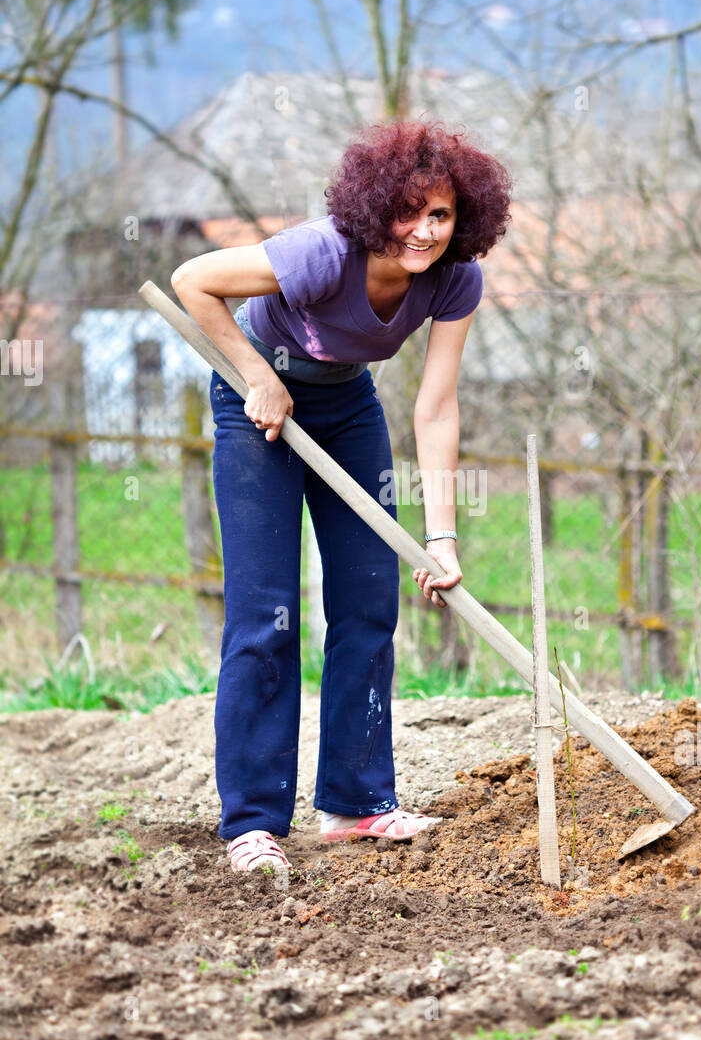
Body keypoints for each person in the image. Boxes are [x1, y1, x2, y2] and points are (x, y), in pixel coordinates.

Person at [170, 119, 513, 871]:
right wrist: (257, 378)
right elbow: (192, 281)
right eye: (410, 209)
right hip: (253, 397)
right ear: (374, 204)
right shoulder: (322, 252)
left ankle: (357, 804)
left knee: (367, 603)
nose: (423, 231)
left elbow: (436, 408)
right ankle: (254, 822)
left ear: (464, 222)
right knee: (266, 612)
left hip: (348, 406)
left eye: (442, 215)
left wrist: (443, 538)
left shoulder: (455, 280)